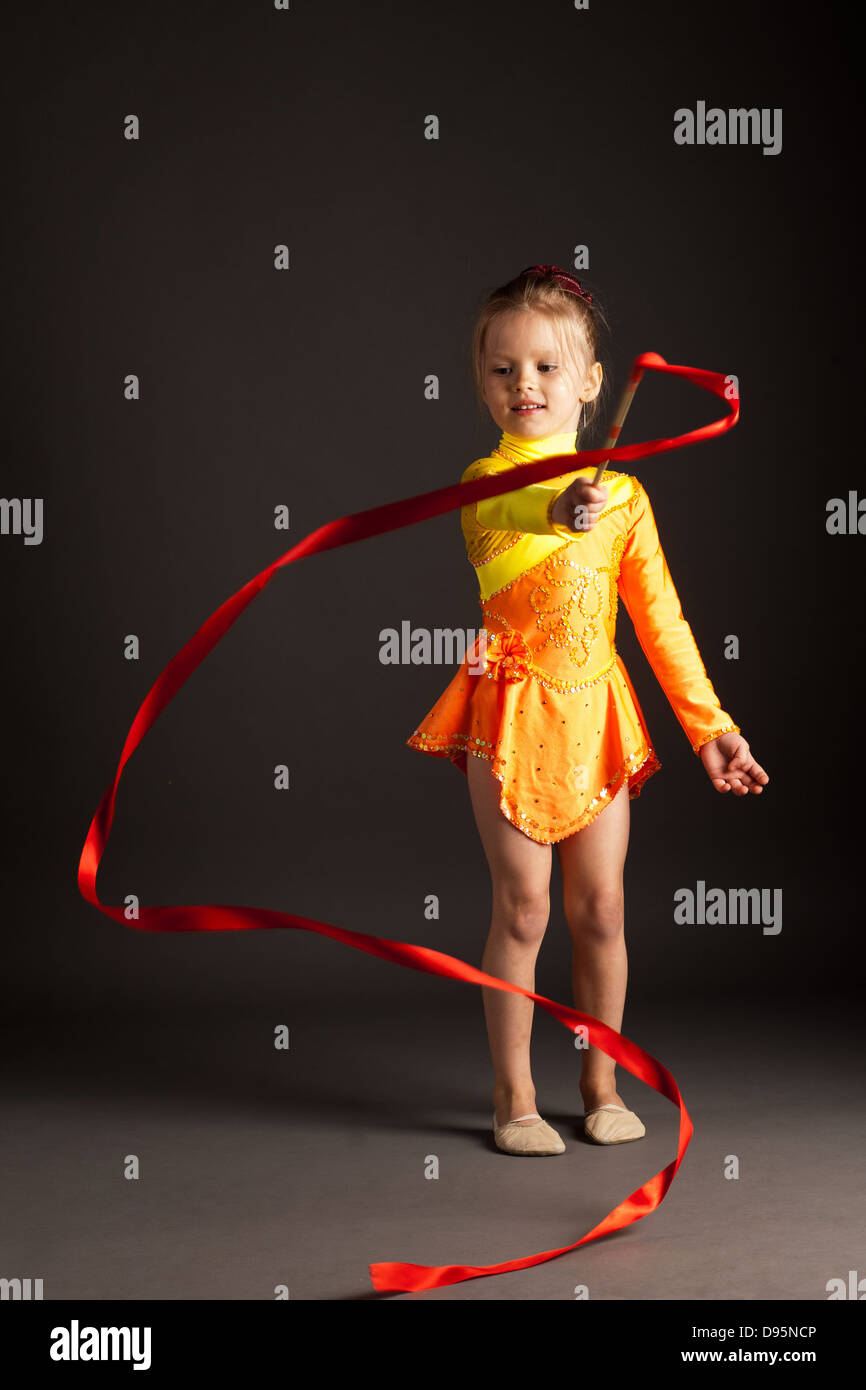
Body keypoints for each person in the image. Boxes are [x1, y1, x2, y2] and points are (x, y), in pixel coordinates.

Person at [407, 265, 769, 1155]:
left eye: (544, 367)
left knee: (601, 910)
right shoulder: (483, 481)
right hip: (515, 713)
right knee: (523, 908)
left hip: (597, 716)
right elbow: (522, 509)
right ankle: (513, 1097)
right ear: (480, 381)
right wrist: (562, 505)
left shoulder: (628, 501)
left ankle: (600, 1081)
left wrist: (711, 729)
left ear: (592, 381)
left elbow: (662, 624)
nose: (523, 384)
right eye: (502, 369)